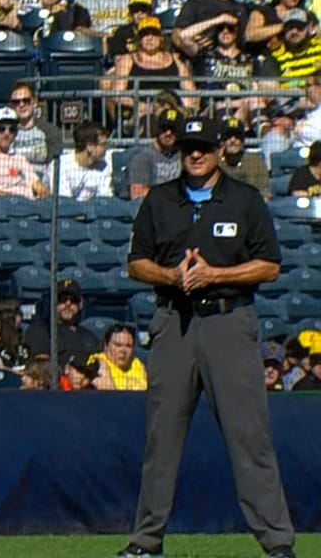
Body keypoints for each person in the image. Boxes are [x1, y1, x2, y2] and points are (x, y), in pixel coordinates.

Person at [116, 116, 295, 558]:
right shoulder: (160, 200)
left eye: (205, 147)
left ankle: (277, 543)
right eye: (189, 146)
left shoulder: (244, 199)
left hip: (229, 321)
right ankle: (146, 541)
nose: (196, 154)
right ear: (179, 150)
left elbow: (269, 265)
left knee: (249, 436)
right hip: (173, 321)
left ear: (221, 150)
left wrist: (216, 274)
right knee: (162, 437)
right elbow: (136, 262)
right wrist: (170, 275)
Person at [0, 106, 48, 198]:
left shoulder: (19, 159)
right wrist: (14, 196)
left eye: (12, 129)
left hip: (30, 205)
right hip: (3, 206)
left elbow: (37, 184)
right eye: (1, 129)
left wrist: (43, 192)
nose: (7, 133)